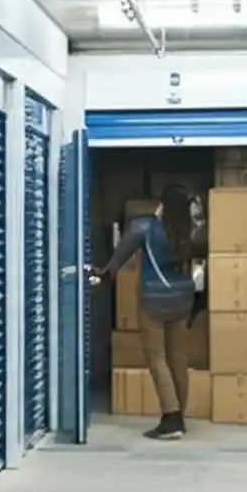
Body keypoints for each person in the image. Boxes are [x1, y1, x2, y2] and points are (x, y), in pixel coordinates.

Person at [92, 183, 207, 440]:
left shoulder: (145, 226)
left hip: (153, 301)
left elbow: (117, 260)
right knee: (178, 358)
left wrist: (99, 276)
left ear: (163, 203)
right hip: (182, 301)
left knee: (157, 357)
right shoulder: (191, 231)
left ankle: (171, 418)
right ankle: (180, 417)